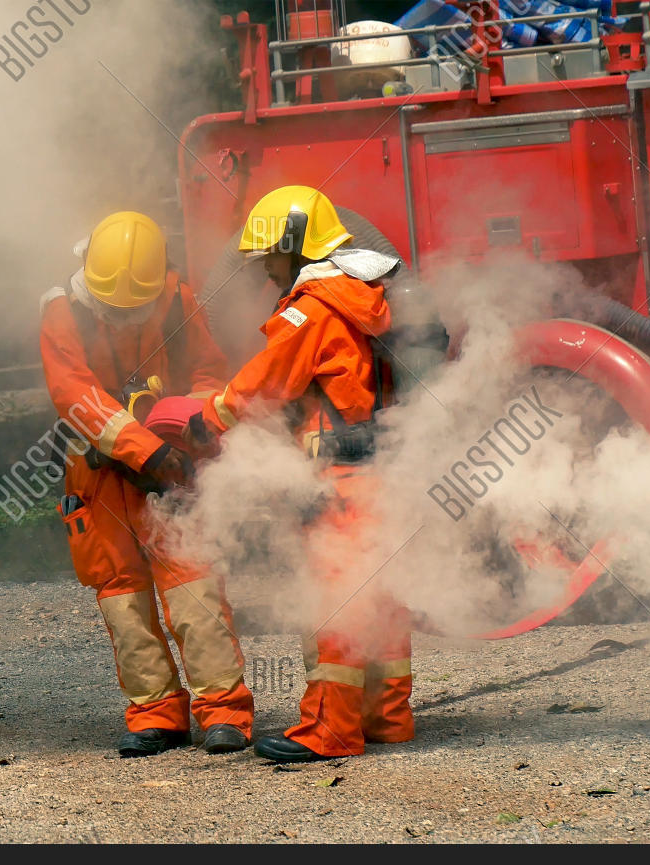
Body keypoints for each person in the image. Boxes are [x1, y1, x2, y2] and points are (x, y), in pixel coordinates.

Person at [187, 185, 413, 762]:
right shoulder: (365, 293)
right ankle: (385, 716)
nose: (265, 269)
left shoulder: (310, 308)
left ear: (293, 245)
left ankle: (331, 729)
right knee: (377, 595)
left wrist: (208, 417)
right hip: (381, 468)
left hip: (339, 473)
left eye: (269, 255)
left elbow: (265, 384)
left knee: (335, 601)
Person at [40, 210, 254, 757]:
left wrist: (188, 424)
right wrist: (145, 449)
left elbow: (208, 370)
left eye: (136, 308)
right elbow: (76, 396)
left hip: (172, 464)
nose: (125, 317)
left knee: (194, 587)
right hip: (102, 474)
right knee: (122, 596)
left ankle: (224, 712)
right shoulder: (61, 313)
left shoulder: (179, 300)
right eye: (115, 309)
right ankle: (155, 711)